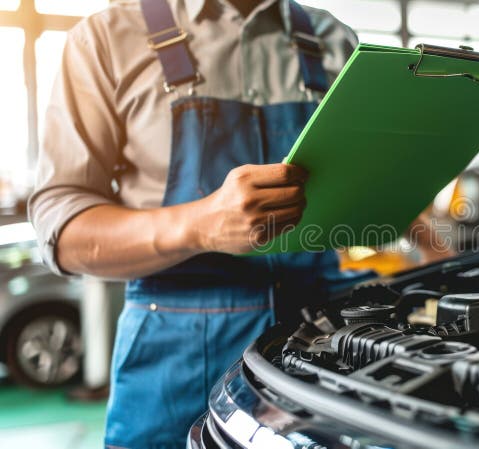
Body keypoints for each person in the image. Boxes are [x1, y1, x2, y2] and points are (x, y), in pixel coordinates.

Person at [28, 0, 368, 447]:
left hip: (318, 346)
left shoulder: (335, 40)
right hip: (172, 359)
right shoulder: (107, 39)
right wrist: (199, 225)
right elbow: (64, 232)